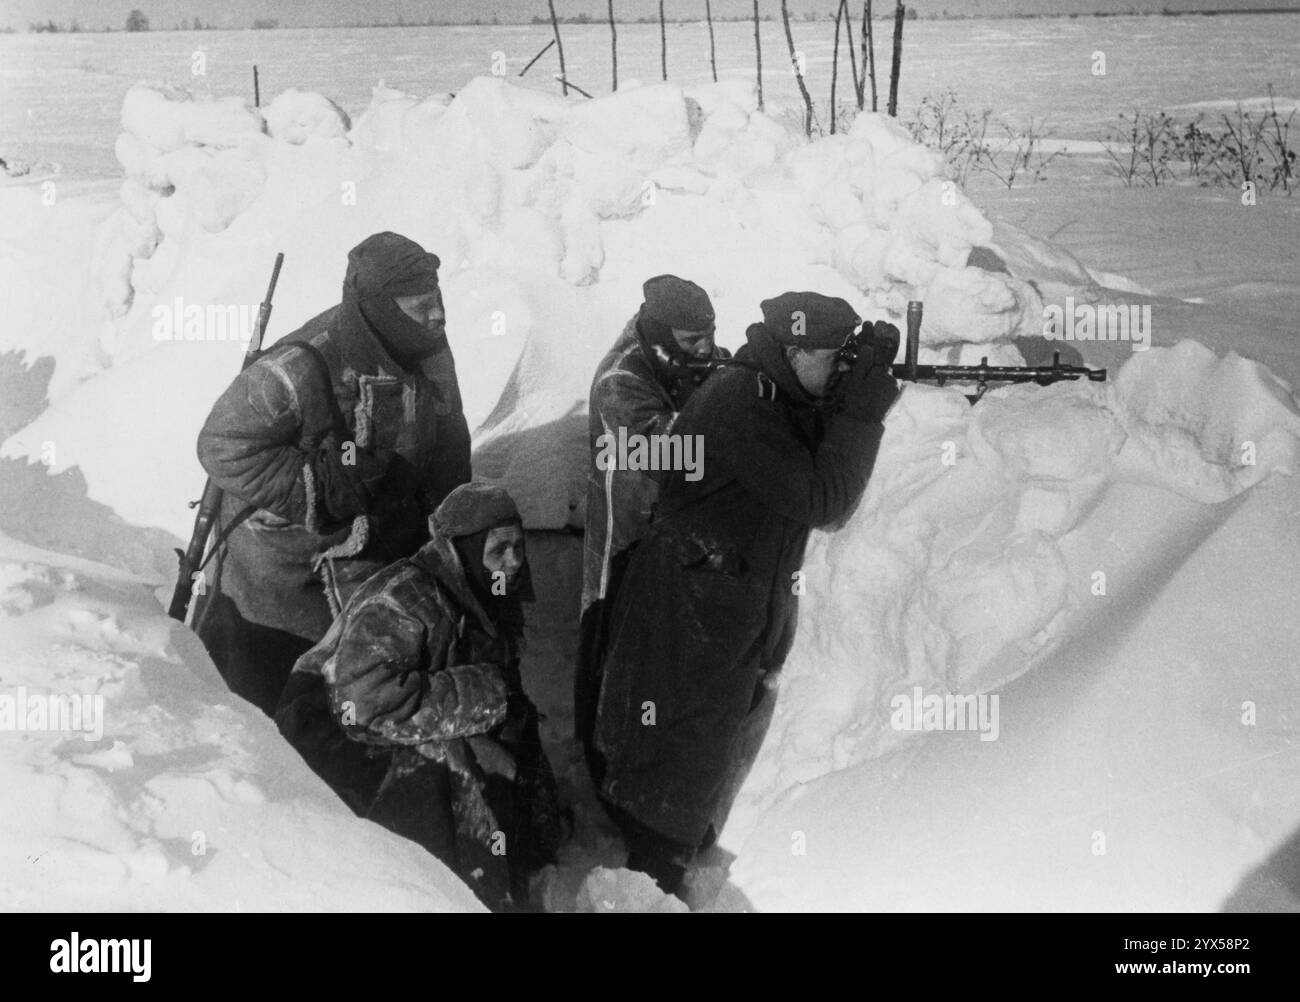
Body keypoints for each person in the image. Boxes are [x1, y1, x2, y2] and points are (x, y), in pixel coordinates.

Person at [593, 292, 901, 897]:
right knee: (680, 737)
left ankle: (660, 863)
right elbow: (823, 500)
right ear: (793, 351)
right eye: (833, 357)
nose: (839, 368)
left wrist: (848, 388)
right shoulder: (741, 402)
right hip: (691, 600)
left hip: (719, 592)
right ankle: (644, 883)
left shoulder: (769, 388)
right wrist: (861, 413)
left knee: (694, 735)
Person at [192, 232, 471, 716]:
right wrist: (316, 487)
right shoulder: (300, 366)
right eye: (421, 305)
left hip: (373, 552)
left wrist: (453, 527)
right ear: (381, 309)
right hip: (282, 569)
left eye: (438, 300)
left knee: (356, 695)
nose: (438, 315)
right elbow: (221, 444)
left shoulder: (424, 345)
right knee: (266, 702)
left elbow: (449, 434)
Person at [275, 482, 562, 912]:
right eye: (498, 549)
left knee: (506, 742)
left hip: (395, 714)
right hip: (330, 730)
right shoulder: (405, 599)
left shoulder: (489, 591)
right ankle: (451, 894)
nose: (513, 563)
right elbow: (366, 704)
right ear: (464, 549)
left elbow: (502, 692)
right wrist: (484, 695)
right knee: (452, 766)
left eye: (519, 548)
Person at [576, 274, 728, 781]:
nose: (707, 348)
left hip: (668, 535)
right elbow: (671, 452)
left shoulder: (687, 357)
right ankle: (598, 761)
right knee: (609, 646)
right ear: (661, 336)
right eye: (692, 340)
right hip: (625, 541)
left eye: (709, 334)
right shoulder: (619, 382)